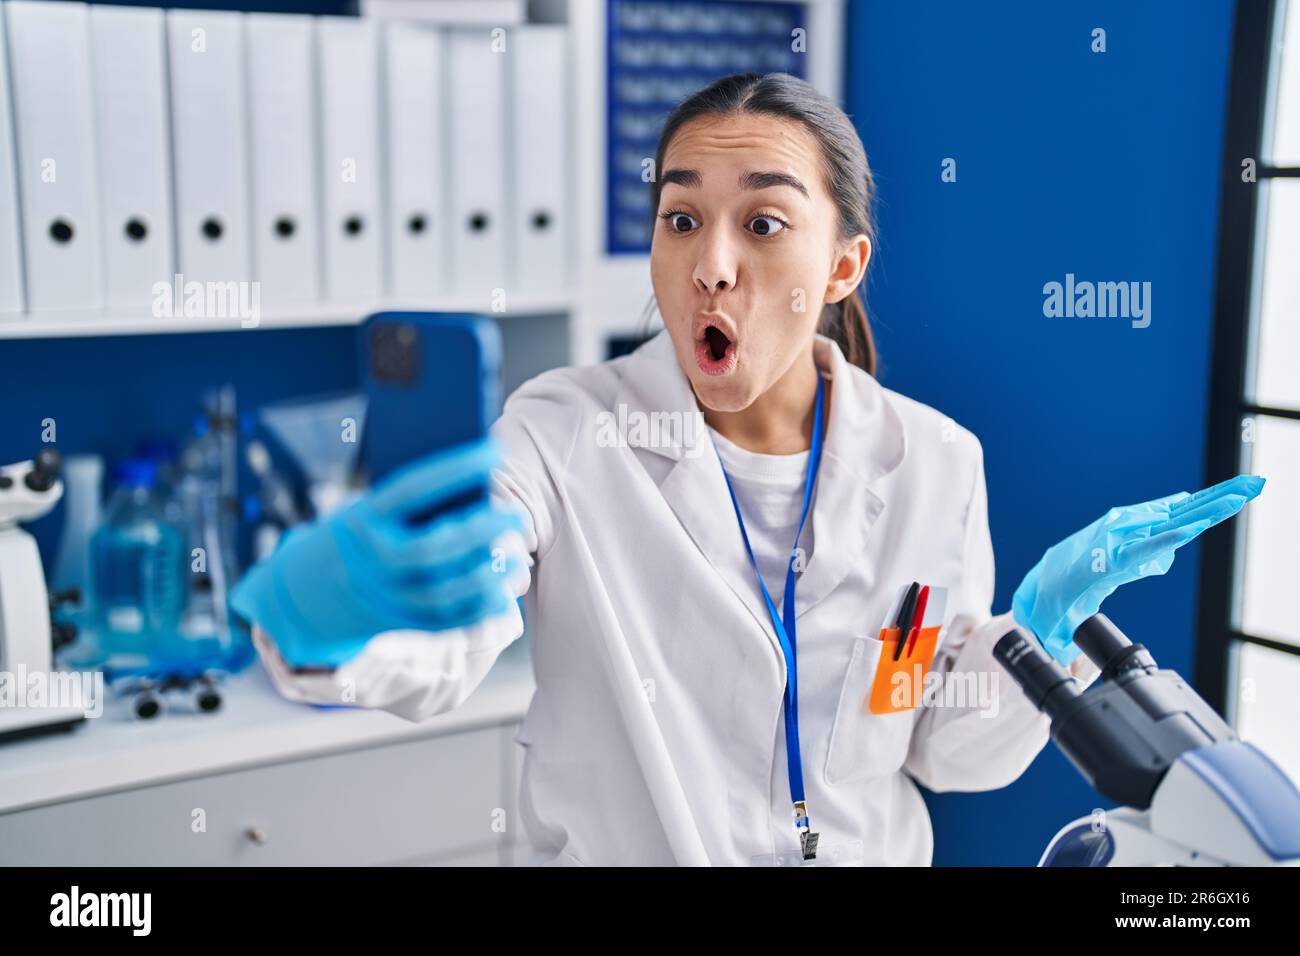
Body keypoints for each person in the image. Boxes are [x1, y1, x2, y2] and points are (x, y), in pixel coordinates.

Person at [230, 72, 1262, 866]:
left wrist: (1037, 641)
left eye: (762, 223)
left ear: (842, 266)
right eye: (680, 218)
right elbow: (453, 635)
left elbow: (941, 752)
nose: (709, 263)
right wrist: (329, 619)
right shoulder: (558, 434)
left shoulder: (935, 461)